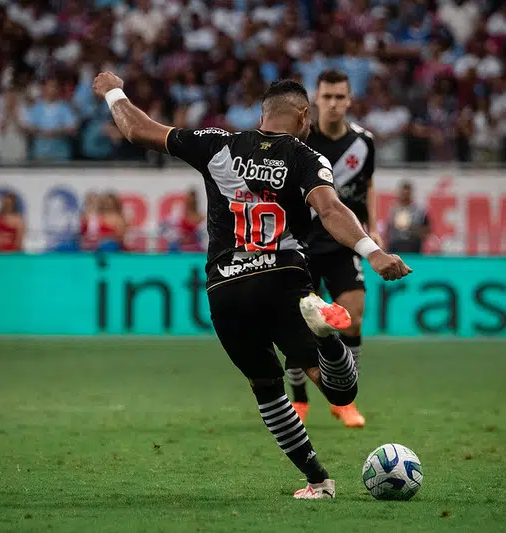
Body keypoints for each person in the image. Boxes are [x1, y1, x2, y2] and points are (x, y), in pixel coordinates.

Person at [93, 71, 411, 499]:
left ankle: (318, 481)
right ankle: (327, 338)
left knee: (266, 389)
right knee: (342, 390)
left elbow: (135, 129)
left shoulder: (216, 143)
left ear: (263, 113)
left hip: (225, 289)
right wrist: (372, 252)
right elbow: (331, 209)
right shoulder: (305, 156)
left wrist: (114, 90)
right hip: (283, 282)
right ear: (302, 114)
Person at [285, 70, 381, 429]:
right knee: (298, 324)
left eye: (340, 97)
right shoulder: (300, 141)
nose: (334, 104)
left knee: (354, 316)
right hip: (302, 244)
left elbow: (366, 187)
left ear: (350, 100)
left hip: (343, 243)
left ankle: (346, 400)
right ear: (315, 99)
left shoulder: (364, 143)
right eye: (327, 97)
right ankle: (299, 400)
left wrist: (372, 230)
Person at [385, 181, 431, 254]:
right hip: (395, 246)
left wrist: (410, 227)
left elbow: (427, 230)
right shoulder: (393, 210)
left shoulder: (419, 211)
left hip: (413, 245)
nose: (404, 196)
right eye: (402, 193)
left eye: (407, 193)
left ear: (410, 194)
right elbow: (388, 230)